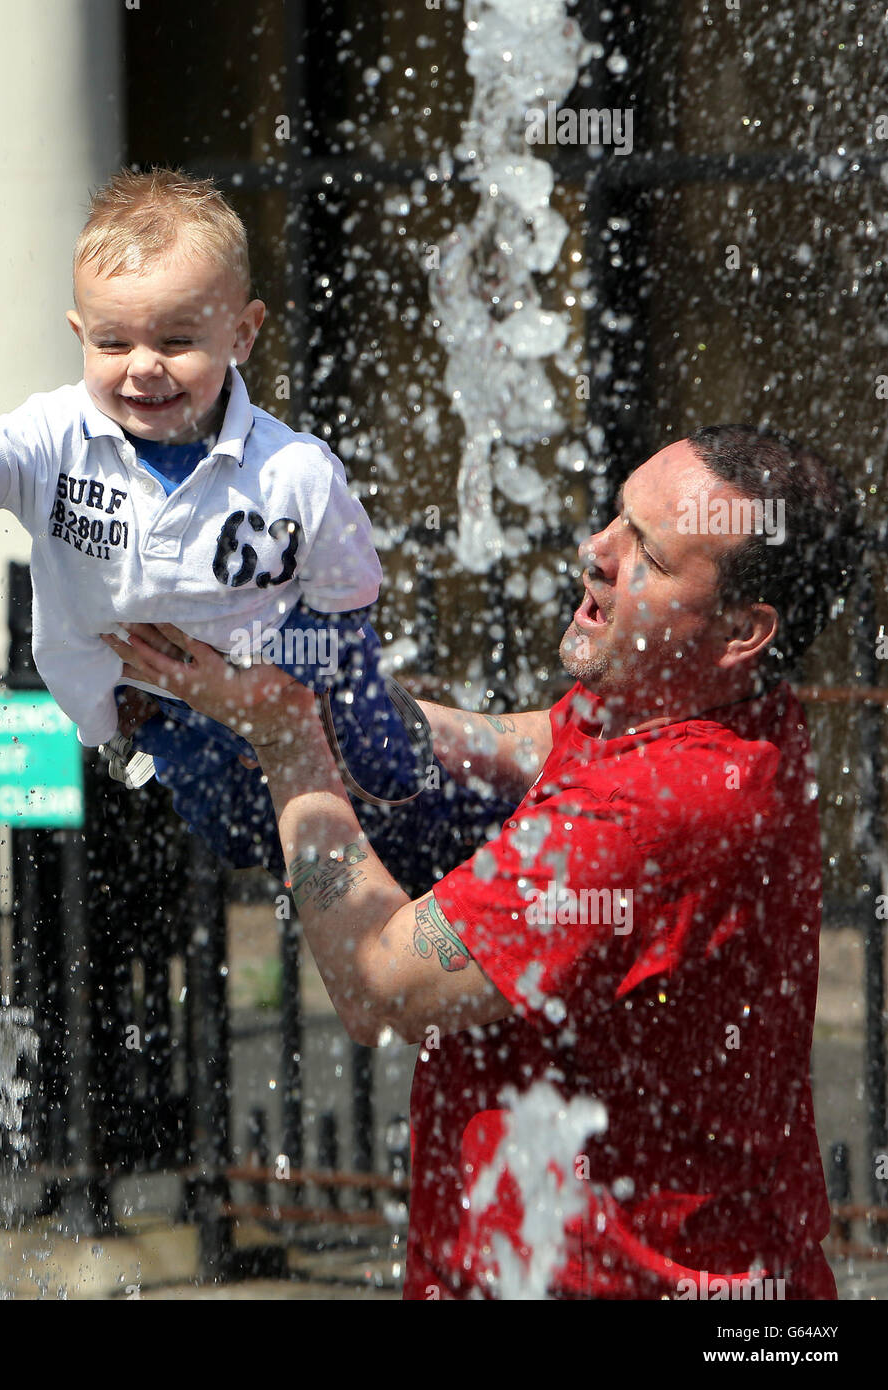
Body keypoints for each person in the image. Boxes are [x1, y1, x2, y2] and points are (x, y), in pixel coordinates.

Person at [105, 424, 858, 1300]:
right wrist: (331, 703)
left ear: (742, 629)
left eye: (645, 553)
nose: (595, 552)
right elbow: (529, 743)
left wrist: (290, 745)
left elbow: (376, 984)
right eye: (615, 519)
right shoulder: (718, 710)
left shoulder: (658, 809)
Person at [0, 168, 482, 873]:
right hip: (161, 719)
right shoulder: (55, 438)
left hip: (287, 694)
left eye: (176, 342)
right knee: (246, 842)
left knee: (396, 805)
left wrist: (278, 688)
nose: (142, 368)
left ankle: (466, 830)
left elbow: (347, 599)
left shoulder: (293, 472)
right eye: (112, 343)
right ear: (80, 334)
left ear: (243, 333)